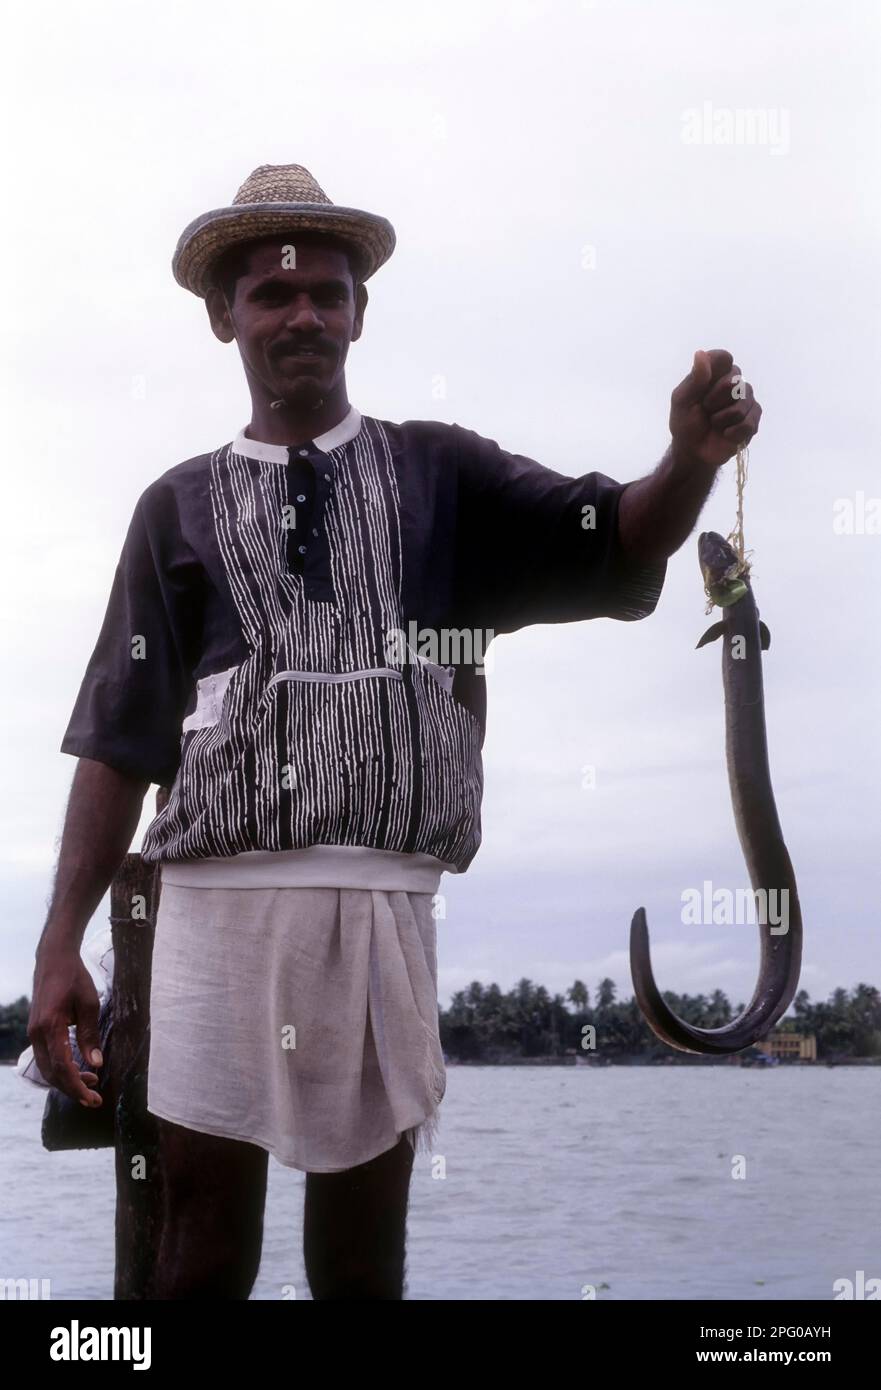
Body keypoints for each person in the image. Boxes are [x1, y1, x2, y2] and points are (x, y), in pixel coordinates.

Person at [27, 163, 762, 1300]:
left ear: (360, 312)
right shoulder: (174, 507)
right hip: (212, 916)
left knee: (362, 1264)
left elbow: (616, 533)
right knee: (201, 1250)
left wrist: (688, 463)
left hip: (383, 907)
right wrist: (56, 943)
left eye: (327, 291)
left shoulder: (443, 477)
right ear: (224, 316)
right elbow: (120, 741)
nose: (303, 314)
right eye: (272, 296)